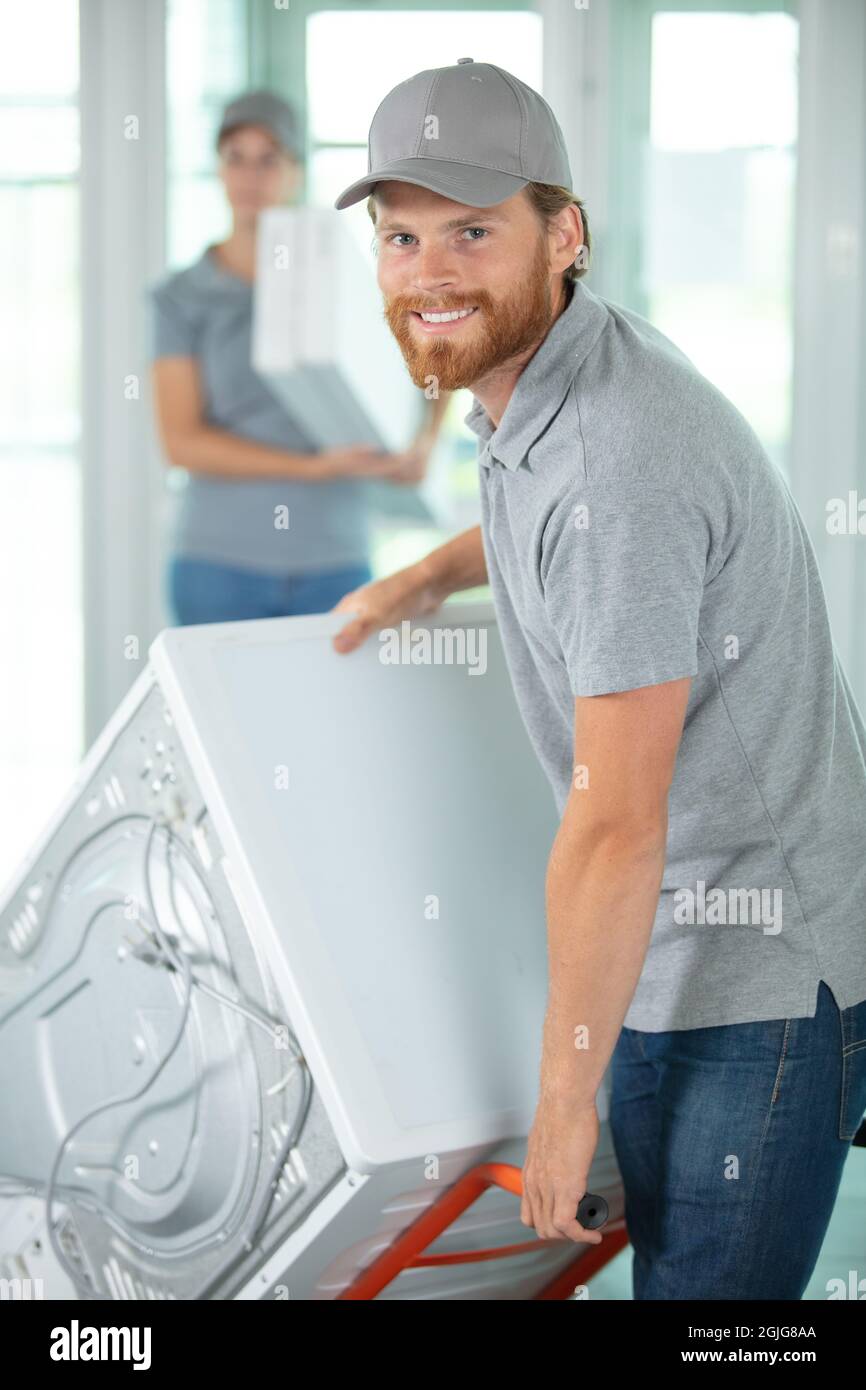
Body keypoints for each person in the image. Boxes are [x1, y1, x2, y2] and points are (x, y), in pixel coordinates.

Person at [327, 58, 866, 1300]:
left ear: (561, 233)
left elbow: (616, 820)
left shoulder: (619, 454)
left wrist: (560, 1099)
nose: (430, 273)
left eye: (471, 230)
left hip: (759, 977)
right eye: (400, 235)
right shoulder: (549, 379)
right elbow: (544, 523)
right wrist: (426, 575)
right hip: (693, 941)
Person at [147, 89, 449, 624]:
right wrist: (312, 468)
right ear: (217, 170)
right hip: (218, 563)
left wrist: (424, 440)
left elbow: (439, 348)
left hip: (335, 556)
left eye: (269, 159)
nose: (250, 176)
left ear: (295, 172)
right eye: (234, 157)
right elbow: (182, 442)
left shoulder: (345, 277)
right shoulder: (183, 296)